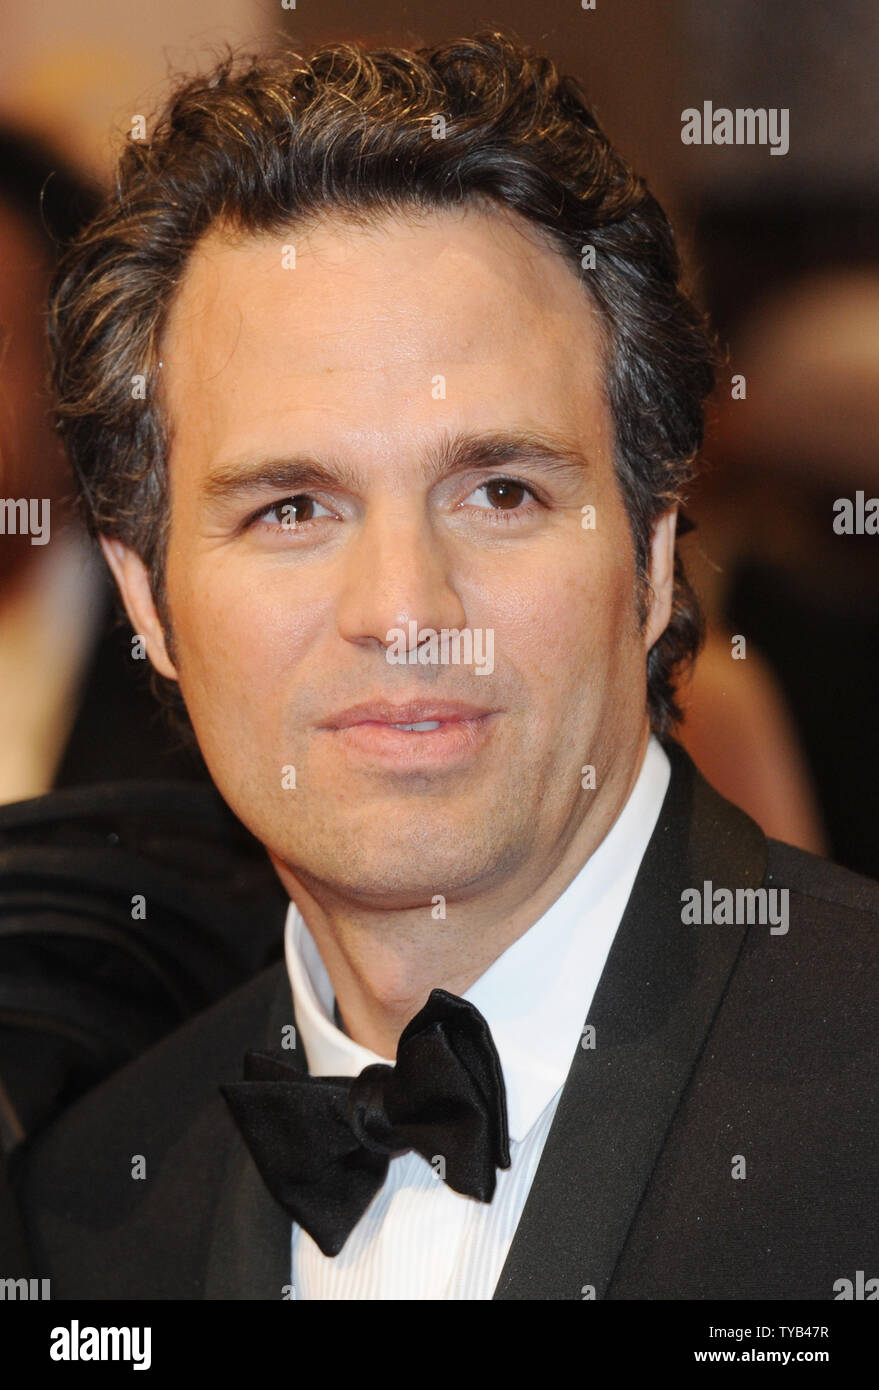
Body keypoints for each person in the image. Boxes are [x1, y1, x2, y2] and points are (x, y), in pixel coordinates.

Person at [9, 30, 877, 1300]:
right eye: (293, 509)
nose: (405, 611)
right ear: (149, 597)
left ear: (649, 556)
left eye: (501, 492)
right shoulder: (78, 1219)